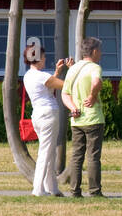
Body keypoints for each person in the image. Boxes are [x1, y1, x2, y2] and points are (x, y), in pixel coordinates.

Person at [23, 39, 71, 197]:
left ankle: (52, 188)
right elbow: (64, 85)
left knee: (50, 152)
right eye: (43, 57)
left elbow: (48, 87)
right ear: (37, 58)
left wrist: (56, 72)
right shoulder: (41, 75)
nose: (45, 59)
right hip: (48, 114)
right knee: (45, 152)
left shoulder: (28, 76)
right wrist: (71, 70)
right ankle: (38, 189)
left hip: (38, 114)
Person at [62, 36, 105, 198]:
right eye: (99, 51)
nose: (100, 54)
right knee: (93, 156)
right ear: (94, 51)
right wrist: (93, 95)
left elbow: (65, 93)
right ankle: (94, 191)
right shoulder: (95, 67)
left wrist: (73, 108)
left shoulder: (73, 69)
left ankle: (75, 190)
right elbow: (96, 82)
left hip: (76, 119)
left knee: (76, 156)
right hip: (93, 118)